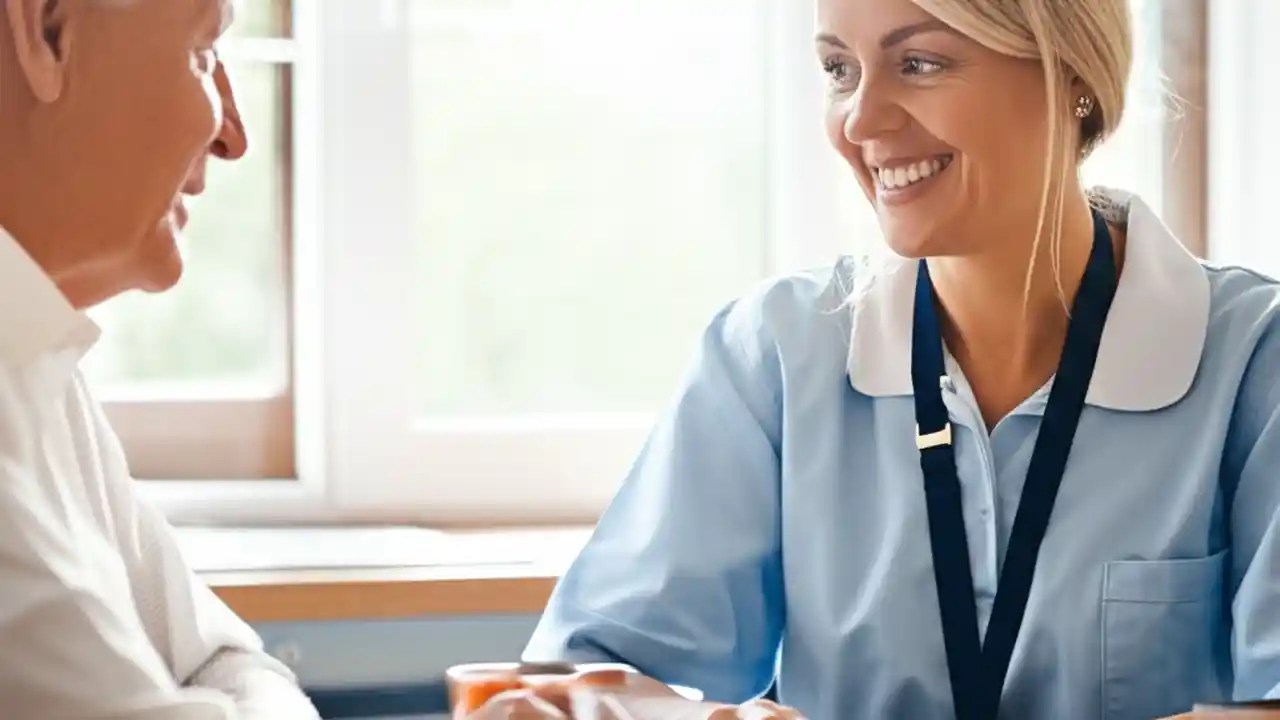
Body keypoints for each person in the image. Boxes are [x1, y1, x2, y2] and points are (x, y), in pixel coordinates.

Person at [522, 0, 1280, 719]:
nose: (860, 119)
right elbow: (585, 677)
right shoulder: (774, 356)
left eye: (919, 63)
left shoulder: (1255, 362)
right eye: (839, 70)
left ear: (1072, 77)